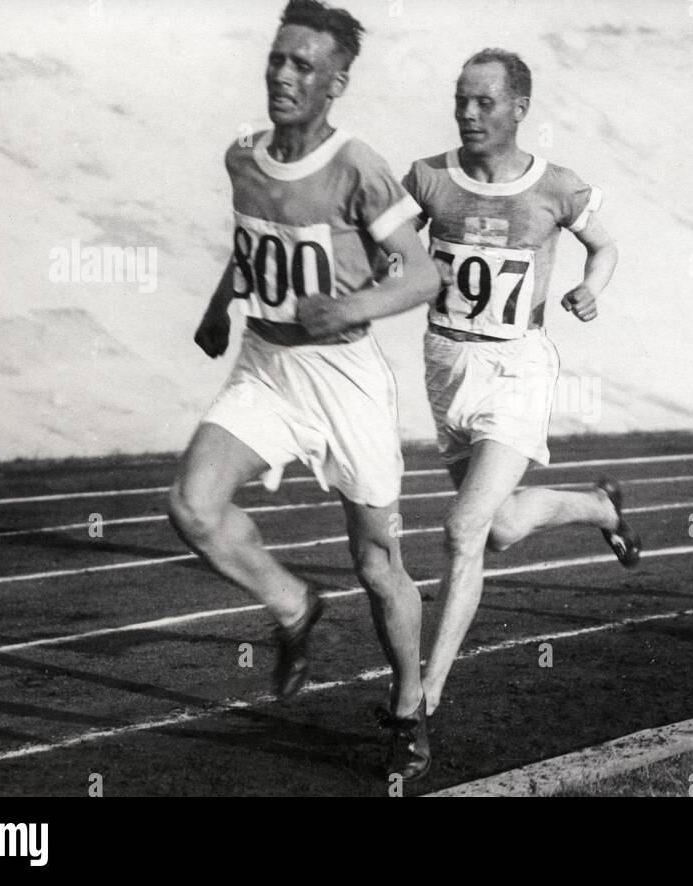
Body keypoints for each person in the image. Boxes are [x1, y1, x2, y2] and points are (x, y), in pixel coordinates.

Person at [166, 1, 438, 780]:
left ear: (336, 83)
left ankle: (410, 707)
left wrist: (351, 305)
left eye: (303, 66)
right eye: (277, 59)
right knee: (192, 505)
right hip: (267, 367)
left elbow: (422, 274)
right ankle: (292, 605)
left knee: (378, 564)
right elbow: (254, 241)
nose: (283, 75)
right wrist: (222, 303)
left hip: (344, 379)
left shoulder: (359, 166)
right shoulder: (242, 157)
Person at [401, 48, 639, 715]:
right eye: (461, 100)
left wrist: (591, 288)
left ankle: (424, 700)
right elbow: (386, 243)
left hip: (516, 367)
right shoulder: (426, 178)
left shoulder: (554, 185)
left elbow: (606, 245)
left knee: (462, 527)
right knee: (499, 529)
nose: (469, 114)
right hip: (446, 367)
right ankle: (599, 505)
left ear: (519, 108)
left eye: (485, 101)